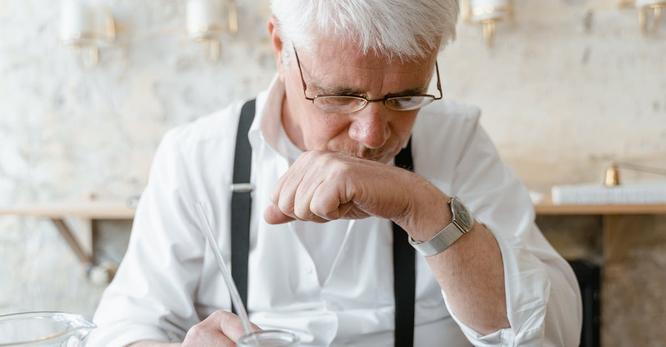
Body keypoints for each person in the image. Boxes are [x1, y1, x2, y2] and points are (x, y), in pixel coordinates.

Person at [89, 1, 582, 346]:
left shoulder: (457, 143)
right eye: (340, 96)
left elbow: (554, 332)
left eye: (403, 98)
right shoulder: (196, 158)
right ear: (280, 45)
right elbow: (120, 331)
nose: (372, 135)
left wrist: (423, 208)